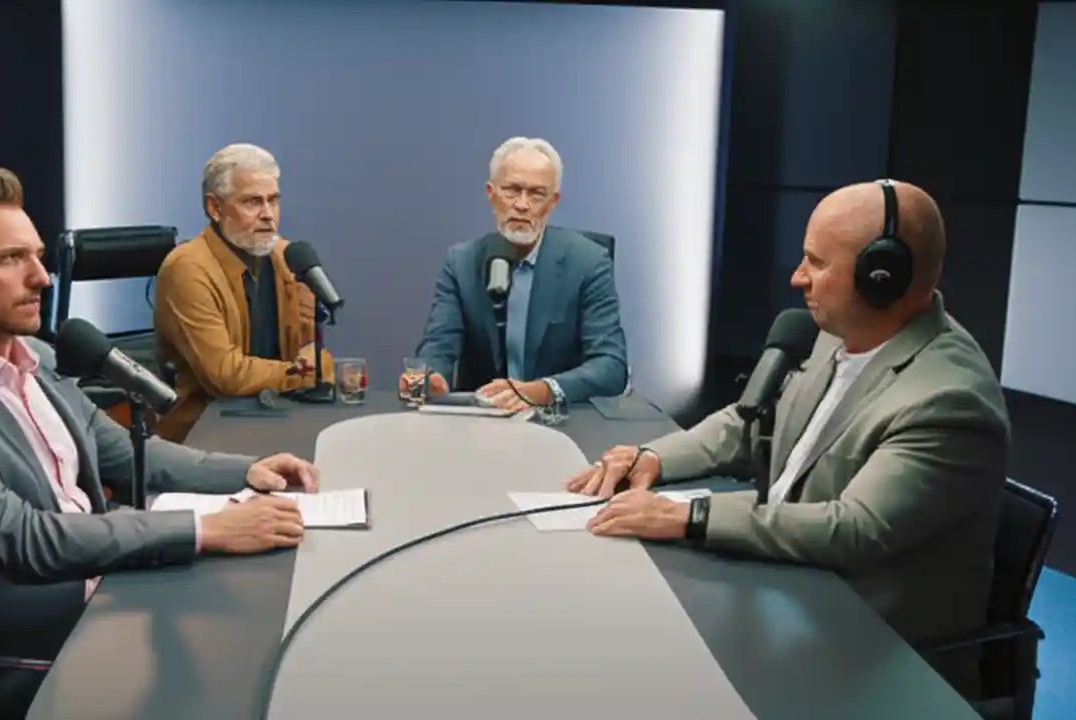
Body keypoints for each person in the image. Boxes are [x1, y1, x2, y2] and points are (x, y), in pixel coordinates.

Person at [0, 168, 319, 719]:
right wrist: (207, 529)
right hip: (13, 657)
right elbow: (22, 539)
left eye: (38, 255)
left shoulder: (38, 360)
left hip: (100, 593)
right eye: (10, 260)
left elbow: (119, 451)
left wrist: (246, 471)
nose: (42, 278)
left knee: (264, 630)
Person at [566, 180, 1008, 698]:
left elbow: (854, 529)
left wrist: (690, 516)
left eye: (817, 263)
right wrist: (652, 459)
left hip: (870, 652)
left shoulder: (948, 399)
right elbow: (750, 420)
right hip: (783, 592)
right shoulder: (837, 335)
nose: (798, 277)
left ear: (881, 277)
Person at [403, 136, 628, 410]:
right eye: (511, 190)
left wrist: (540, 391)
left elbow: (611, 366)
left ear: (553, 201)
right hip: (484, 423)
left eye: (536, 194)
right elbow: (438, 345)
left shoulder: (589, 262)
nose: (522, 205)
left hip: (559, 421)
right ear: (491, 193)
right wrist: (430, 377)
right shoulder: (461, 263)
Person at [153, 143, 332, 442]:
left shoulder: (288, 258)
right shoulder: (187, 268)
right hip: (206, 432)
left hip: (280, 419)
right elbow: (226, 375)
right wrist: (299, 373)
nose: (268, 215)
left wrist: (308, 367)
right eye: (252, 202)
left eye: (273, 201)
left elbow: (313, 356)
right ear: (215, 207)